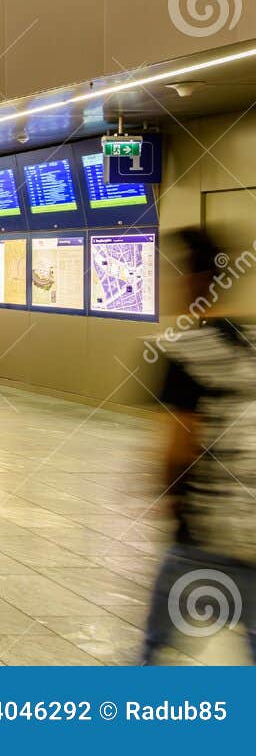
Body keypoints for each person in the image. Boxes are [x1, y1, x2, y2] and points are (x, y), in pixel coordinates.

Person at [142, 228, 256, 662]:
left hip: (208, 536)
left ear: (192, 279)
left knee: (159, 649)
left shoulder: (185, 350)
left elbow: (175, 454)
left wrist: (172, 511)